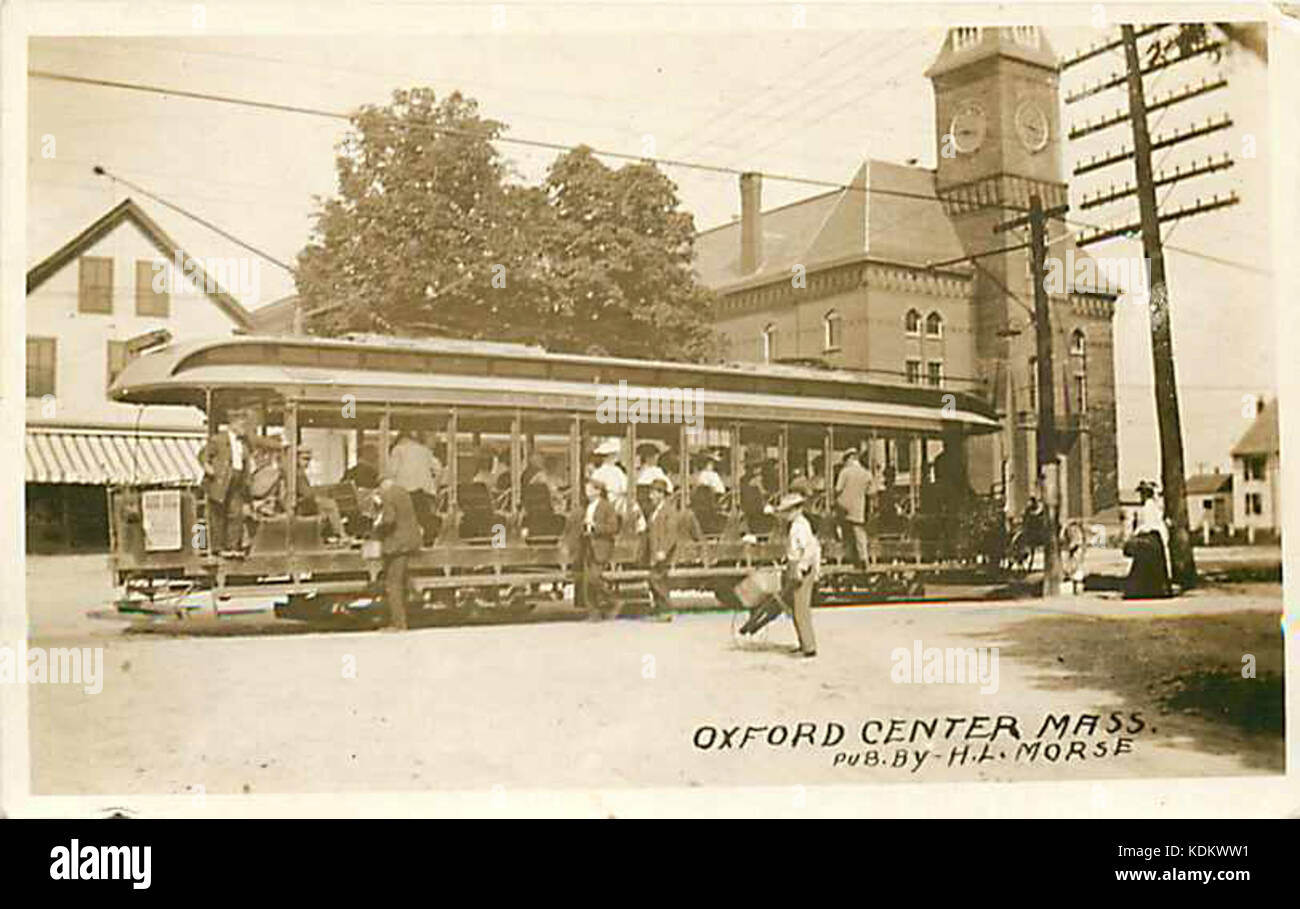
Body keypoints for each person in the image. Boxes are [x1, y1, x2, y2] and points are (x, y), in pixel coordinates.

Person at [739, 492, 821, 657]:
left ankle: (809, 647)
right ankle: (803, 643)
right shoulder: (796, 525)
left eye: (788, 511)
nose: (786, 515)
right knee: (794, 607)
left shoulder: (801, 526)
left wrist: (802, 567)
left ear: (797, 510)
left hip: (802, 568)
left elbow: (811, 549)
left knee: (801, 609)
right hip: (795, 565)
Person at [198, 410, 251, 557]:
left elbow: (245, 461)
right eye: (242, 424)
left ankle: (232, 547)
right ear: (233, 424)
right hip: (220, 482)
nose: (244, 427)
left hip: (237, 481)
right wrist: (208, 468)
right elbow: (203, 455)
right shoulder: (218, 439)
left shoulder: (244, 442)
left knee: (235, 514)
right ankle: (218, 548)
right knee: (217, 515)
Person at [371, 478, 423, 629]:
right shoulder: (402, 491)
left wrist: (377, 523)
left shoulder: (387, 494)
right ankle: (404, 616)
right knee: (402, 581)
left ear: (381, 486)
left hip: (397, 544)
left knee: (393, 584)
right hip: (410, 540)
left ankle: (398, 623)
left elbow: (389, 519)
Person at [386, 432, 440, 545]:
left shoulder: (398, 450)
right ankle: (427, 544)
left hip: (405, 493)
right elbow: (438, 469)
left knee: (403, 522)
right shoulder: (424, 451)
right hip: (425, 492)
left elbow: (392, 473)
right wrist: (434, 485)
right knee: (425, 521)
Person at [577, 478, 620, 619]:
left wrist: (595, 526)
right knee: (586, 581)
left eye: (589, 489)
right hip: (588, 545)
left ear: (598, 491)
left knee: (594, 578)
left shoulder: (606, 506)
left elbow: (613, 527)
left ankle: (612, 601)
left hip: (601, 546)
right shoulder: (587, 506)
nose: (586, 492)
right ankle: (593, 613)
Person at [1123, 481, 1172, 599]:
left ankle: (1144, 590)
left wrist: (1135, 535)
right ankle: (1155, 590)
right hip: (1155, 539)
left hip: (1149, 538)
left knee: (1144, 565)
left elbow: (1146, 525)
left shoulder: (1148, 508)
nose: (1140, 497)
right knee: (1152, 565)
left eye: (1142, 494)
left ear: (1146, 494)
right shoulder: (1155, 507)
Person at [295, 447, 349, 543]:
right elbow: (306, 494)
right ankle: (341, 534)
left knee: (326, 506)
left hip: (303, 502)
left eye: (309, 459)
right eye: (304, 459)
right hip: (300, 504)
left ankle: (330, 535)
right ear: (296, 458)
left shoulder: (299, 472)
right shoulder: (298, 473)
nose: (307, 462)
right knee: (330, 504)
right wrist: (319, 494)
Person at [643, 478, 676, 619]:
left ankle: (666, 609)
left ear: (661, 494)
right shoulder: (655, 511)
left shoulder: (668, 510)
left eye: (653, 493)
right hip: (654, 552)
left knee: (658, 579)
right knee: (654, 579)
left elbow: (671, 534)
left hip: (662, 553)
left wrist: (663, 550)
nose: (651, 496)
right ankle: (659, 607)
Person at [835, 448, 872, 567]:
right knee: (859, 532)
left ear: (850, 458)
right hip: (859, 508)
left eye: (846, 460)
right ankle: (863, 557)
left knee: (839, 527)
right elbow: (871, 492)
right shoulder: (866, 473)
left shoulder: (845, 472)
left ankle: (845, 554)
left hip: (843, 507)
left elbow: (838, 489)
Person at [591, 439, 629, 512]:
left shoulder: (597, 472)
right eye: (614, 455)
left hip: (608, 503)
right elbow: (625, 489)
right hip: (613, 504)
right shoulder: (617, 471)